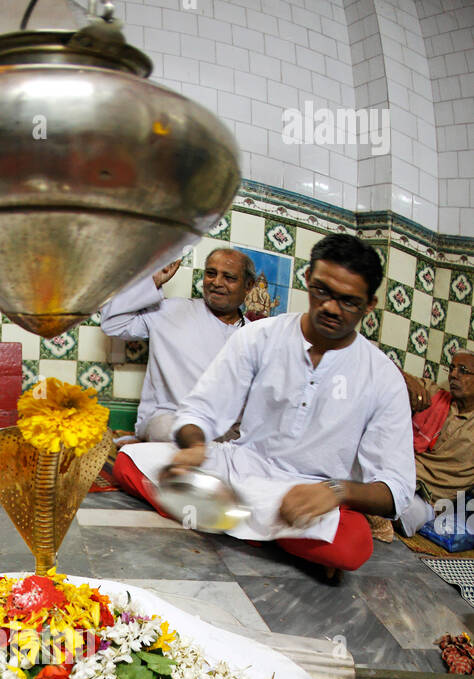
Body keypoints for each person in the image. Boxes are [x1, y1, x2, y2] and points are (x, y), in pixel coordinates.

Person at [116, 233, 415, 577]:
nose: (331, 308)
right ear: (307, 280)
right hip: (239, 468)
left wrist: (336, 491)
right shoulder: (259, 337)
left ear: (370, 304)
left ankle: (228, 520)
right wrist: (194, 446)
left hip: (307, 493)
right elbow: (202, 410)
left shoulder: (382, 376)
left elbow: (397, 489)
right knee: (128, 463)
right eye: (322, 292)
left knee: (352, 546)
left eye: (348, 301)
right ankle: (267, 532)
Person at [99, 247, 256, 441]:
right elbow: (113, 324)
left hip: (225, 433)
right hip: (170, 423)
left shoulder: (255, 336)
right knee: (168, 428)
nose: (216, 282)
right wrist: (153, 281)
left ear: (248, 286)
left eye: (229, 277)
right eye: (211, 274)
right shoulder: (170, 311)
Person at [395, 350, 474, 537]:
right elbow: (383, 369)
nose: (454, 375)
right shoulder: (434, 396)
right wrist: (407, 379)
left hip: (425, 500)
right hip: (396, 475)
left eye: (463, 370)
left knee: (406, 513)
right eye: (452, 368)